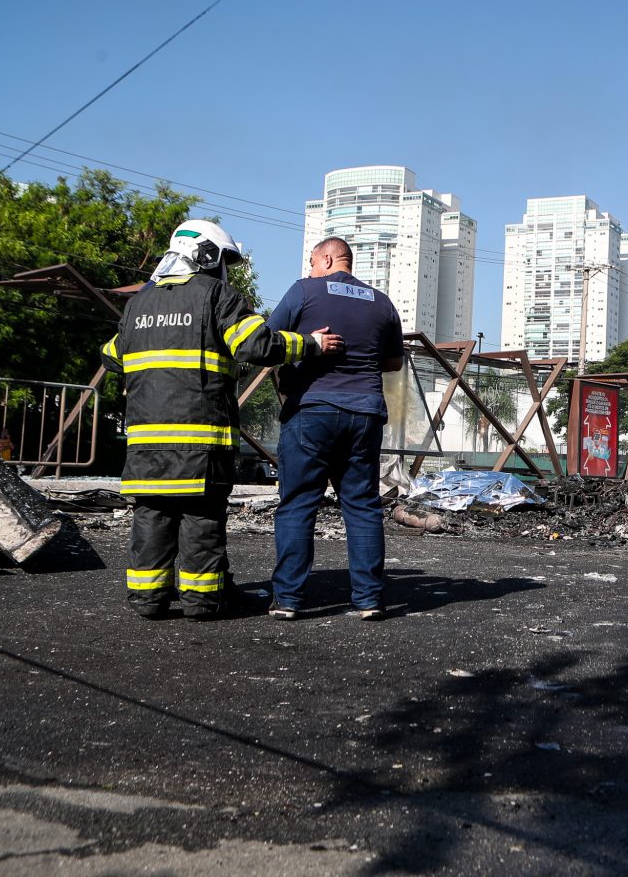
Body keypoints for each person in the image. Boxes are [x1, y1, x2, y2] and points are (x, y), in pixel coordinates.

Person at [100, 220, 338, 621]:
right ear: (207, 256)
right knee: (200, 519)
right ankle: (201, 601)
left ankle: (148, 600)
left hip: (144, 444)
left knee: (151, 518)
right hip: (198, 441)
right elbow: (257, 344)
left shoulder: (138, 303)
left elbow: (111, 354)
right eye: (224, 259)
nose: (225, 267)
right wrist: (310, 343)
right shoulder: (217, 295)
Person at [267, 237, 404, 621]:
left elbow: (267, 341)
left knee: (298, 504)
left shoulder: (304, 291)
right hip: (365, 414)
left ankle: (289, 600)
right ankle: (368, 600)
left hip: (312, 411)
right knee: (362, 507)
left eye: (312, 262)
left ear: (327, 258)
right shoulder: (381, 301)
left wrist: (306, 347)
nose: (309, 270)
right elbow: (393, 363)